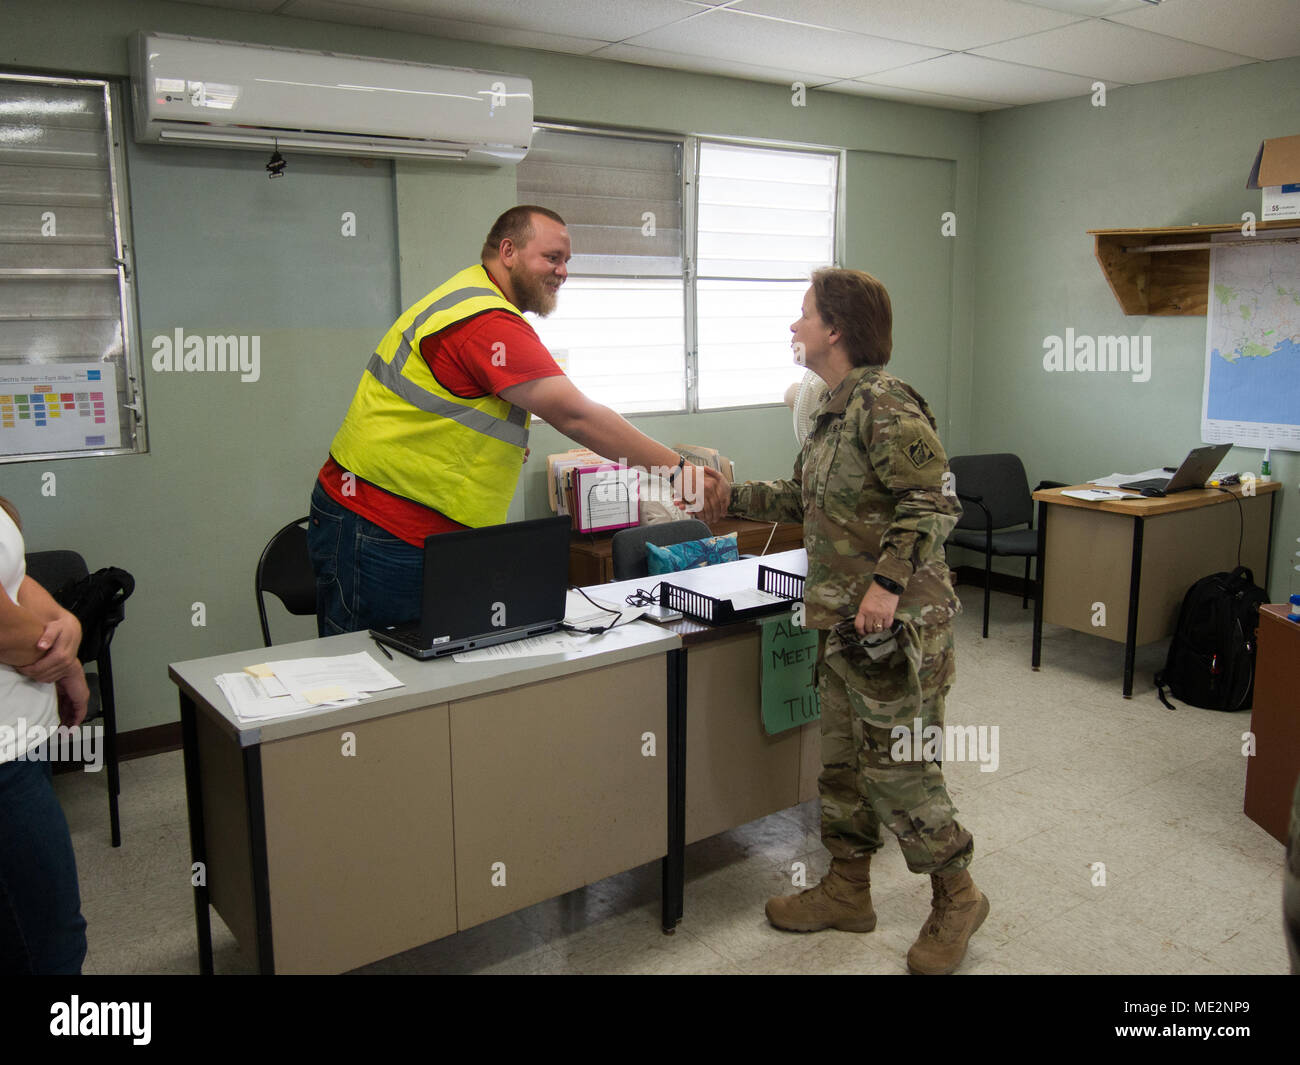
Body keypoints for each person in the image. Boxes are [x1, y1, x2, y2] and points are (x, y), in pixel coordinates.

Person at [709, 268, 987, 975]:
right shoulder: (832, 413)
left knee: (898, 768)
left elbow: (933, 499)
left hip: (898, 625)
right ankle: (847, 890)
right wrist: (729, 493)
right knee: (842, 764)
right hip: (843, 624)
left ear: (835, 329)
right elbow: (801, 496)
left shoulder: (885, 402)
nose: (794, 327)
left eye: (803, 315)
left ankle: (958, 896)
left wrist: (889, 583)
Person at [310, 204, 727, 636]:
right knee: (376, 684)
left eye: (567, 261)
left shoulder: (474, 301)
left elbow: (449, 409)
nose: (563, 272)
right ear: (507, 251)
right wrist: (676, 469)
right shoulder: (484, 319)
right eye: (552, 258)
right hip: (381, 529)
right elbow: (576, 415)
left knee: (418, 681)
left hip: (416, 532)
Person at [0, 496, 90, 974]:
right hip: (2, 765)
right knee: (50, 940)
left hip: (19, 741)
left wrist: (66, 622)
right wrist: (67, 662)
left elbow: (15, 578)